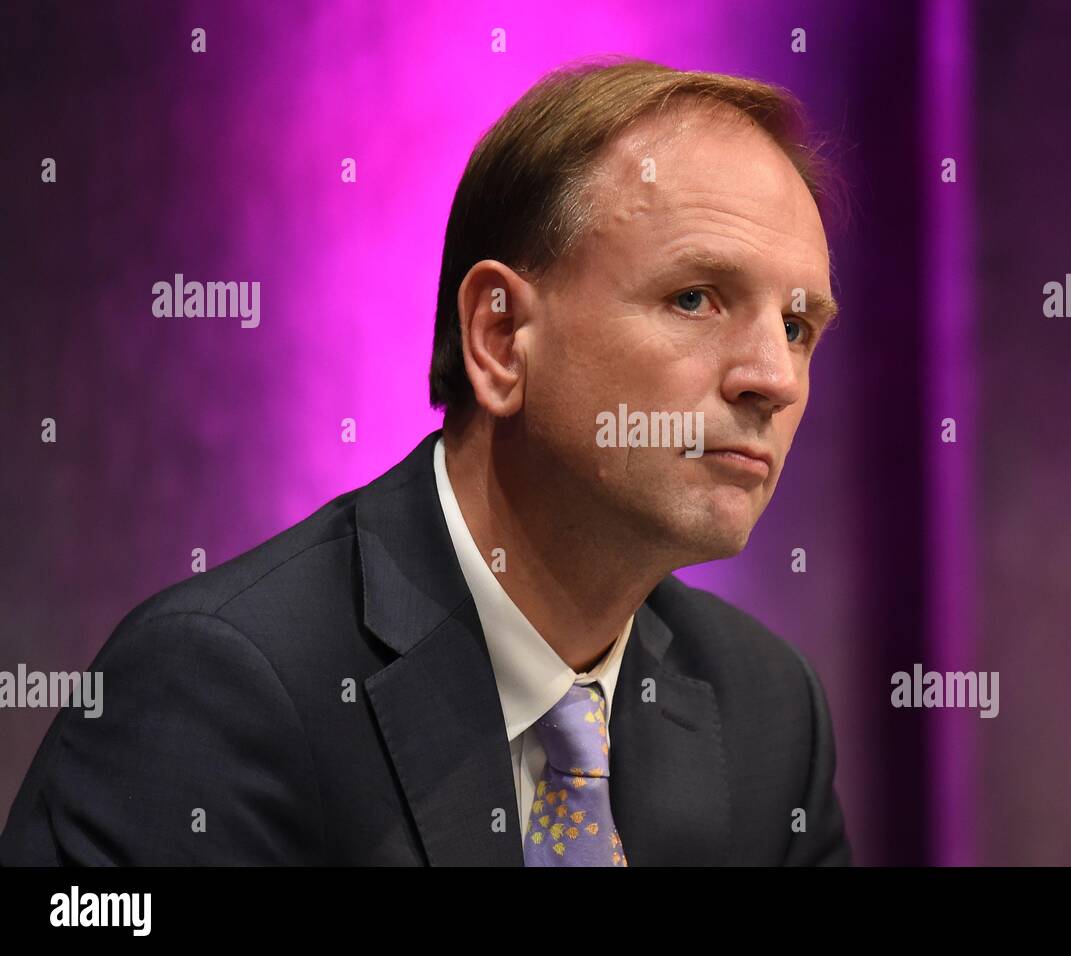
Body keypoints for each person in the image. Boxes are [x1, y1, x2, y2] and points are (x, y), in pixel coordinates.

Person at [0, 56, 851, 866]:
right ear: (500, 339)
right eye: (695, 298)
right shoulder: (219, 691)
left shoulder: (768, 711)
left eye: (797, 326)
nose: (773, 379)